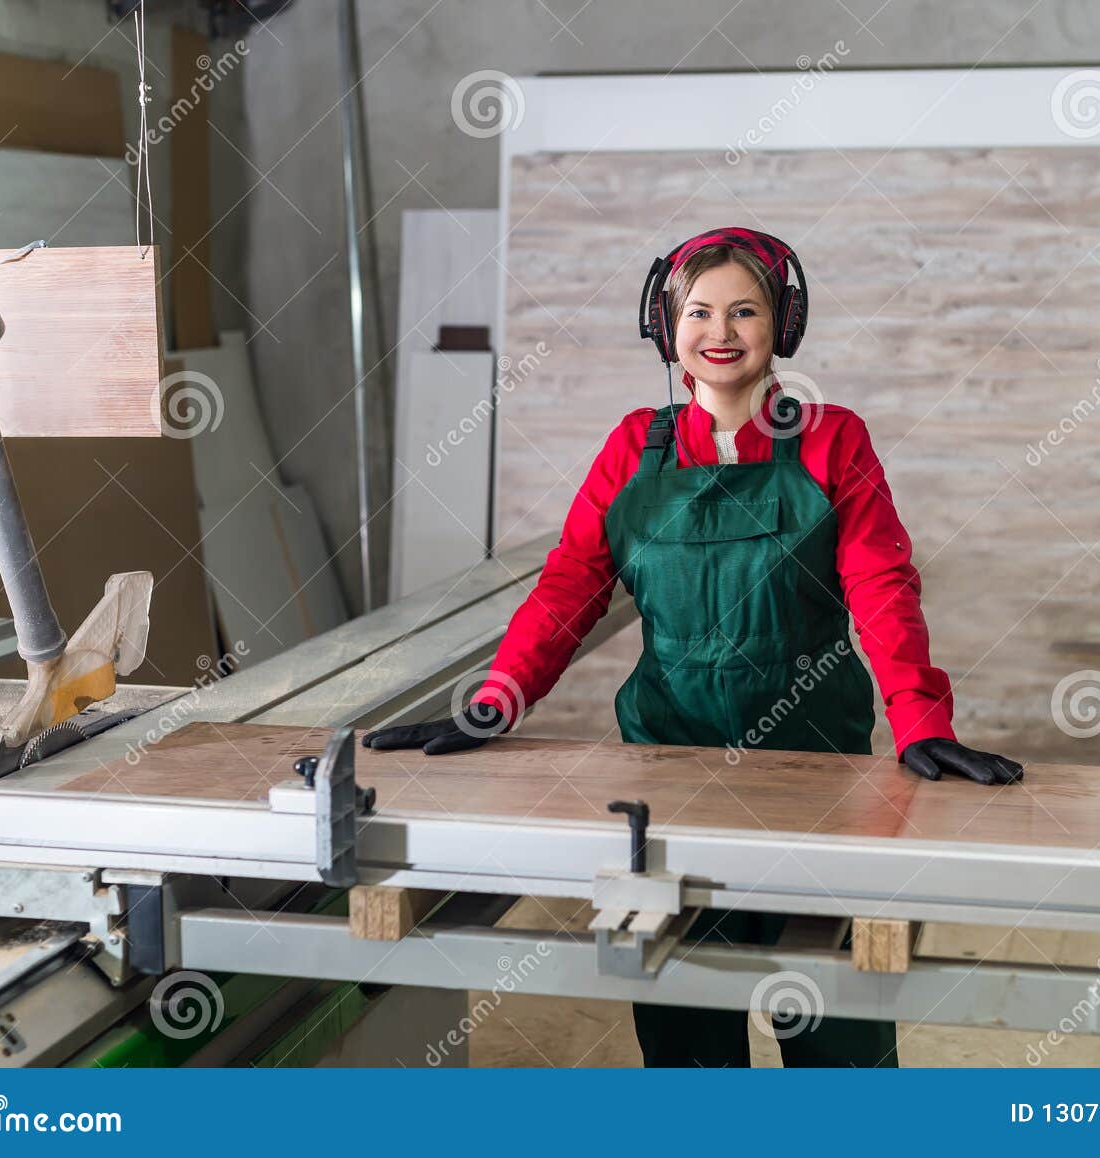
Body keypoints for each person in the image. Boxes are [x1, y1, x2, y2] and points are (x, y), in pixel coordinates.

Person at [366, 226, 1024, 1066]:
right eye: (700, 311)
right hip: (665, 775)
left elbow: (881, 584)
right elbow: (572, 584)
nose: (721, 331)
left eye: (745, 310)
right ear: (666, 327)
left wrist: (920, 723)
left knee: (836, 1022)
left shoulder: (833, 439)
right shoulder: (631, 447)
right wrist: (498, 698)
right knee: (684, 1027)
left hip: (813, 766)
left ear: (782, 324)